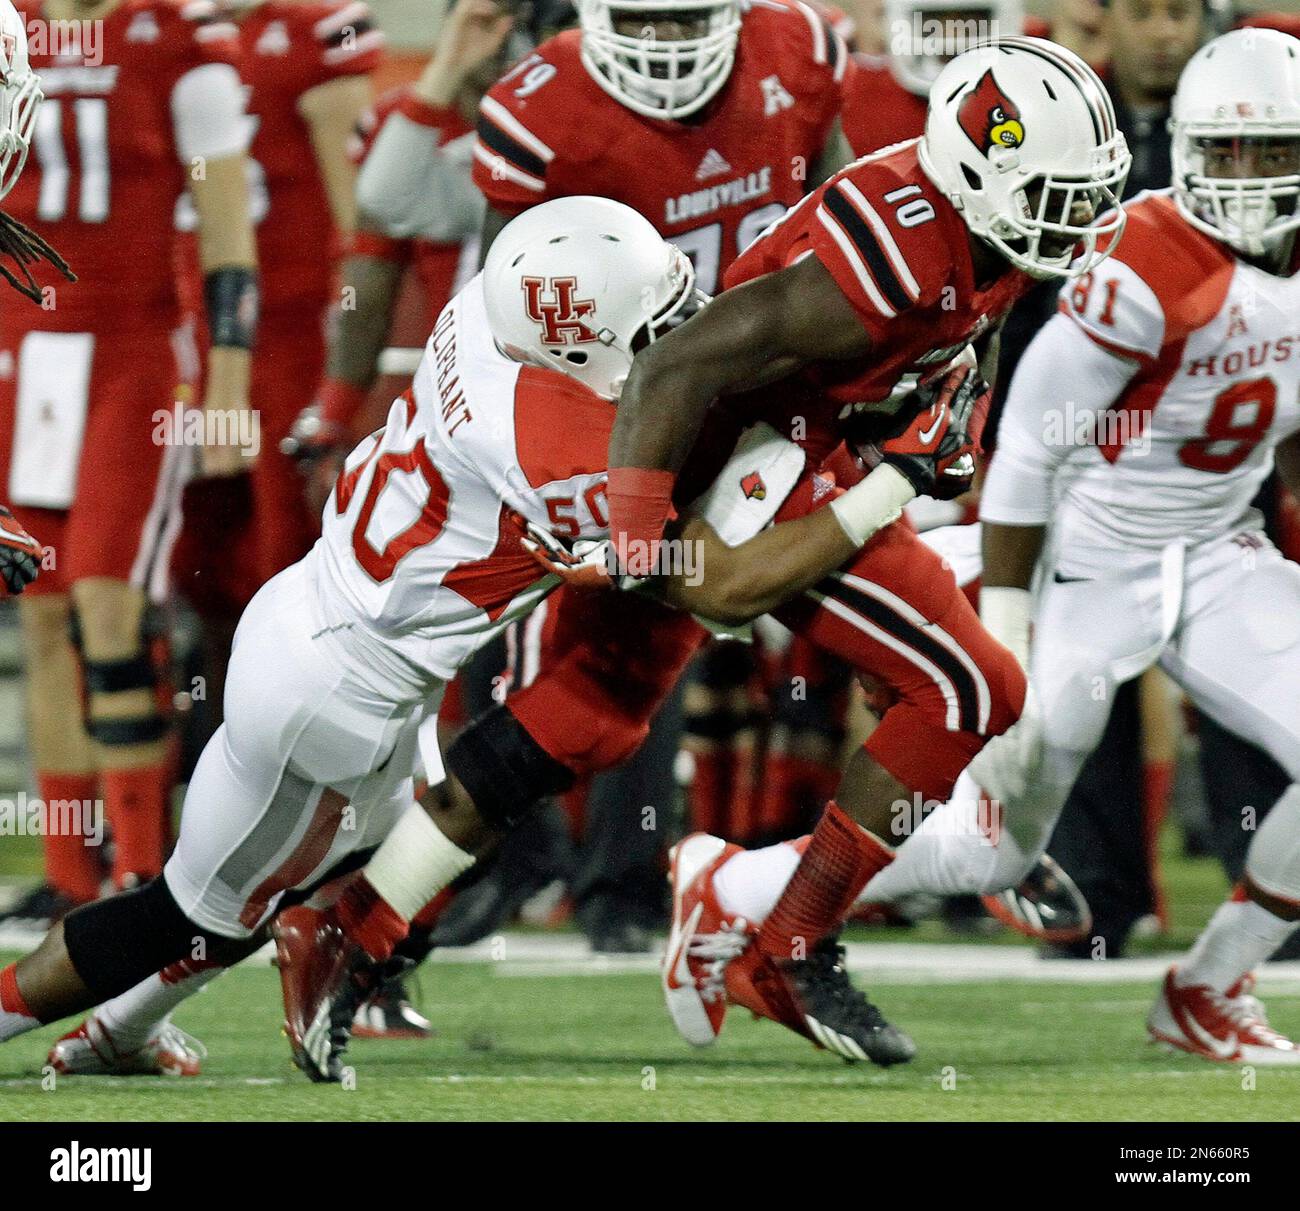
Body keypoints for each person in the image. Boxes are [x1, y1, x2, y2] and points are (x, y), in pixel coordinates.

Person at [0, 195, 982, 1079]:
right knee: (197, 915)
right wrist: (896, 479)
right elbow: (718, 591)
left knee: (270, 887)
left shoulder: (489, 309)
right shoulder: (559, 458)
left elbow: (627, 365)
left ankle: (115, 1036)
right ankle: (25, 1014)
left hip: (313, 621)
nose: (679, 341)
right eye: (656, 328)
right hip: (340, 697)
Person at [850, 27, 1300, 1064]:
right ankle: (750, 891)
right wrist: (1003, 621)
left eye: (1268, 150)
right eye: (1223, 153)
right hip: (1089, 561)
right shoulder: (1145, 257)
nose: (1243, 177)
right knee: (997, 849)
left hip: (1219, 553)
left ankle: (1208, 985)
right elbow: (1026, 448)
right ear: (1183, 151)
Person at [0, 0, 258, 927]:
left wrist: (229, 382)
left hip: (132, 349)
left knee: (110, 600)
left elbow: (228, 227)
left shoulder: (176, 33)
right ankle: (71, 870)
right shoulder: (10, 25)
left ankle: (142, 872)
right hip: (19, 348)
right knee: (39, 610)